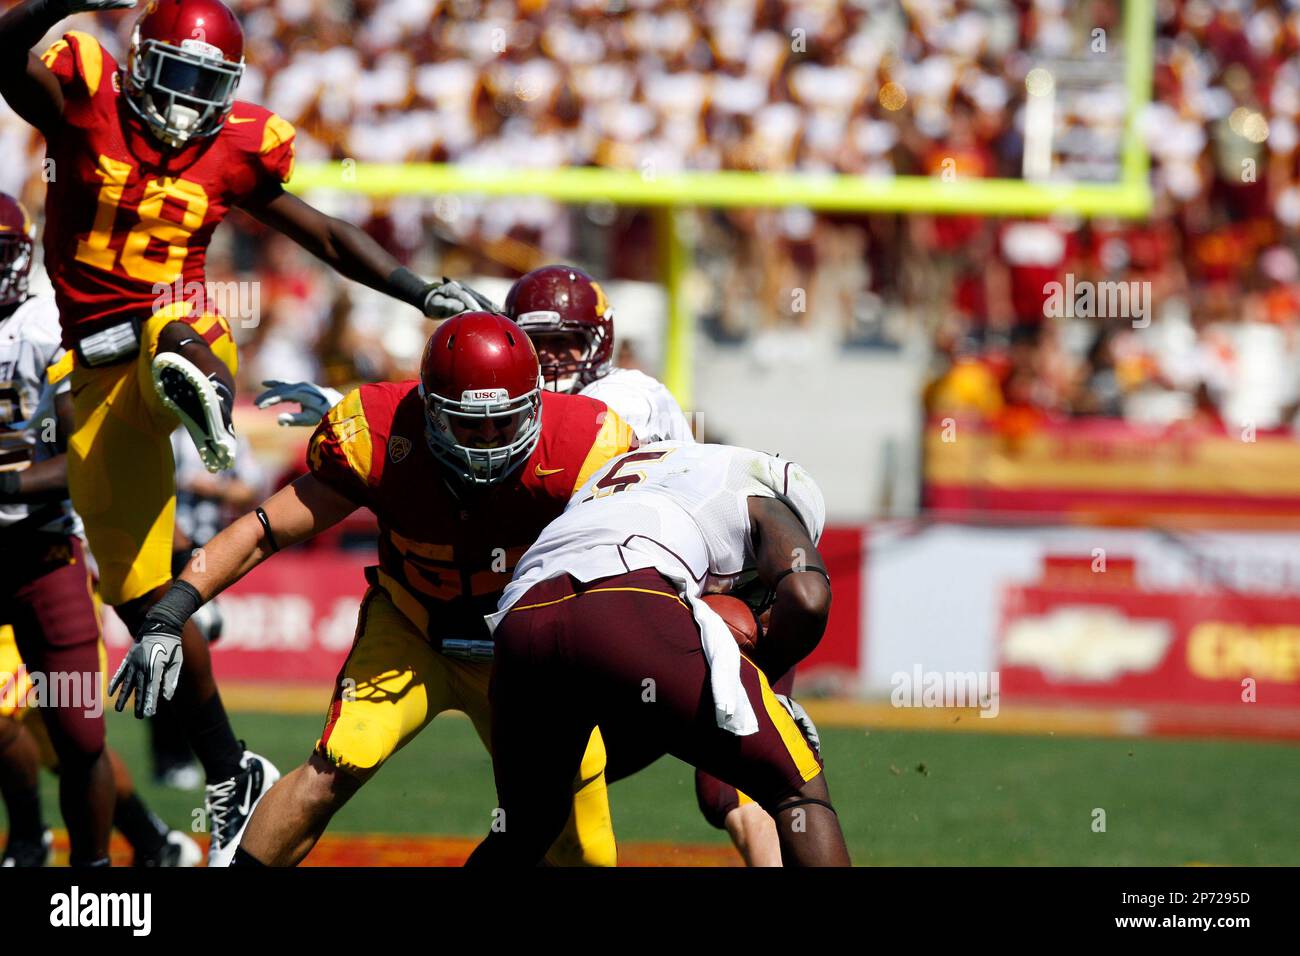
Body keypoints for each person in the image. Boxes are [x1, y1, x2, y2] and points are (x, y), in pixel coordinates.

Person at [0, 0, 468, 864]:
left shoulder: (237, 149)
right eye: (171, 78)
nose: (183, 102)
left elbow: (321, 231)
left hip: (168, 334)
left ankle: (203, 398)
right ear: (137, 65)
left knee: (177, 324)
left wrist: (417, 290)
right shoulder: (85, 98)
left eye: (202, 85)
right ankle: (230, 766)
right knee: (147, 607)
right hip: (95, 380)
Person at [115, 312, 636, 865]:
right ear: (432, 411)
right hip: (413, 628)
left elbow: (644, 553)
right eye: (468, 424)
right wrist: (170, 612)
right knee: (330, 771)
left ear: (533, 405)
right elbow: (263, 532)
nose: (488, 441)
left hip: (523, 652)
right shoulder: (379, 436)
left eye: (503, 423)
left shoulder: (587, 446)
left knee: (584, 849)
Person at [467, 440, 850, 866]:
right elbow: (808, 597)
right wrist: (764, 676)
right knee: (797, 784)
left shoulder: (637, 480)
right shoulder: (761, 493)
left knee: (525, 827)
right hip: (623, 597)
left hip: (520, 619)